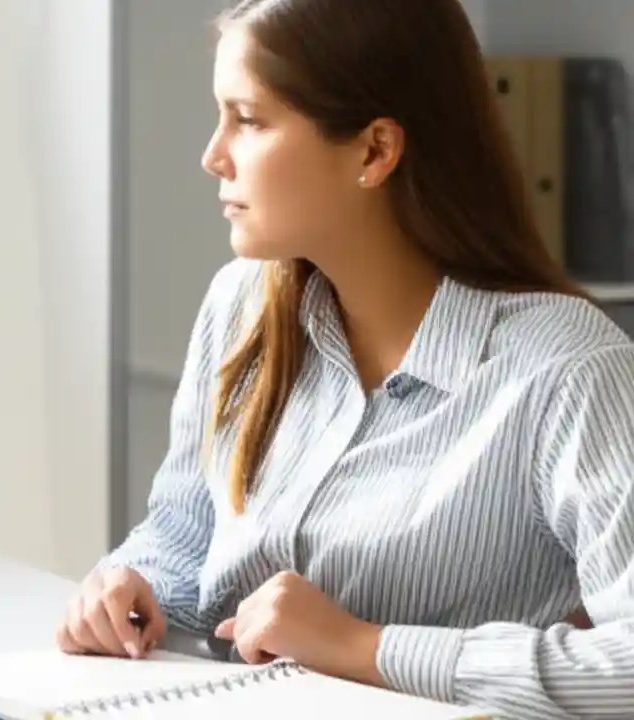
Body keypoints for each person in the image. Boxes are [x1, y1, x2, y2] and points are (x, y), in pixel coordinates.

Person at [55, 0, 634, 718]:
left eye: (250, 119)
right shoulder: (240, 307)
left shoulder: (567, 368)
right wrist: (128, 586)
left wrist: (366, 647)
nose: (213, 155)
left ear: (373, 151)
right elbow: (182, 533)